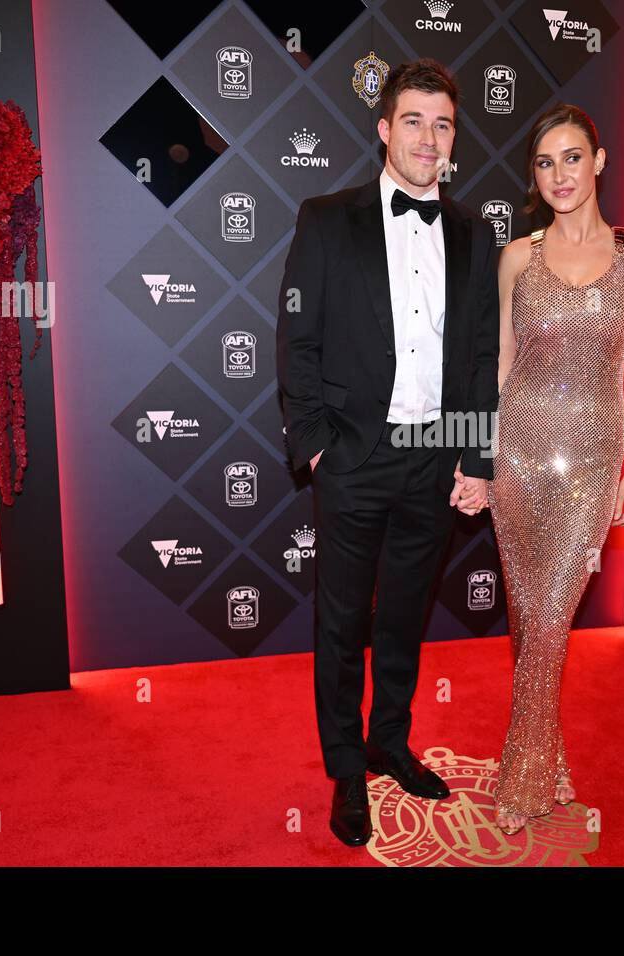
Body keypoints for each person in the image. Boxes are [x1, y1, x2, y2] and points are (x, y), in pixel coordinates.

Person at [275, 58, 499, 847]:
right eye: (413, 121)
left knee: (404, 613)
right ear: (383, 129)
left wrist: (477, 461)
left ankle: (390, 741)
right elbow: (296, 341)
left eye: (442, 123)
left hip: (435, 459)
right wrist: (316, 451)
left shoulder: (475, 233)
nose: (428, 138)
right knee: (342, 620)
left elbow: (479, 358)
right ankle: (344, 767)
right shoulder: (327, 218)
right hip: (354, 456)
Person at [455, 103, 624, 835]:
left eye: (572, 158)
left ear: (600, 162)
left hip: (594, 457)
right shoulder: (519, 256)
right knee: (529, 621)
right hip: (519, 452)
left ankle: (524, 779)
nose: (559, 175)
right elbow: (499, 370)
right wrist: (478, 461)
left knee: (550, 616)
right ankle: (547, 760)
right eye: (544, 163)